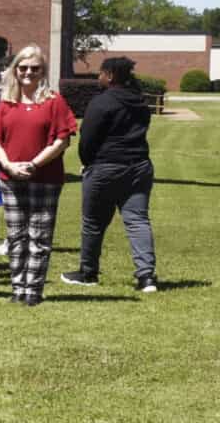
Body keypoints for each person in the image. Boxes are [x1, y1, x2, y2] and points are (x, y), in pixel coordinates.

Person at [0, 46, 77, 305]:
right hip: (10, 178)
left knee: (39, 235)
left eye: (34, 68)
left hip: (45, 178)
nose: (28, 72)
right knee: (15, 236)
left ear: (43, 71)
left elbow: (62, 140)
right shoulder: (6, 102)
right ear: (15, 69)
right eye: (23, 67)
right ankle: (17, 289)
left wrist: (34, 164)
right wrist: (9, 165)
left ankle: (33, 291)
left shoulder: (53, 101)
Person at [66, 56, 158, 294]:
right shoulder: (139, 101)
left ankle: (88, 272)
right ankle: (146, 277)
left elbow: (87, 139)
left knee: (93, 223)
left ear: (110, 76)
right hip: (139, 166)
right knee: (138, 221)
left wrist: (87, 164)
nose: (99, 77)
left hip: (105, 167)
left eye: (101, 73)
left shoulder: (102, 102)